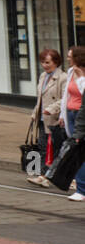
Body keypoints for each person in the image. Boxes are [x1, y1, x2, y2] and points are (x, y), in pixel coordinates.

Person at [29, 49, 67, 186]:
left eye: (47, 62)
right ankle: (44, 175)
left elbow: (64, 99)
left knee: (53, 148)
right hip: (42, 118)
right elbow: (40, 98)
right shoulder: (43, 76)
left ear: (56, 62)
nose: (44, 65)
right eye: (42, 62)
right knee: (43, 146)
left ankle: (46, 176)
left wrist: (50, 109)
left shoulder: (63, 78)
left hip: (54, 119)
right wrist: (35, 114)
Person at [62, 47, 85, 200]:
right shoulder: (70, 72)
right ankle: (80, 186)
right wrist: (62, 114)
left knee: (80, 152)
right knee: (76, 151)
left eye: (70, 56)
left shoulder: (81, 74)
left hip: (81, 115)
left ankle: (81, 189)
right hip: (71, 113)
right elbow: (66, 94)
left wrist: (81, 77)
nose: (68, 59)